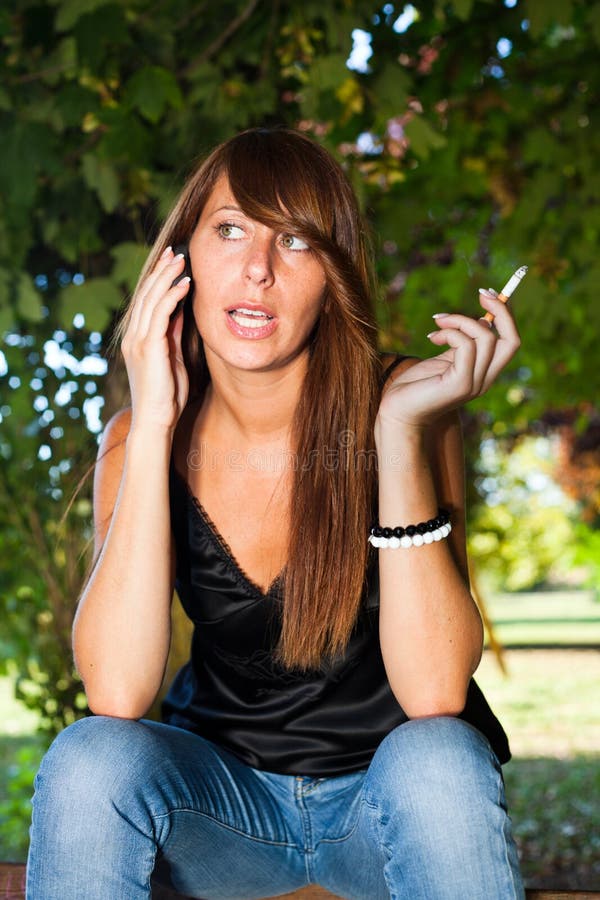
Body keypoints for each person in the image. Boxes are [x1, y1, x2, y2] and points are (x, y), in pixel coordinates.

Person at [26, 127, 524, 900]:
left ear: (333, 274)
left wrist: (395, 434)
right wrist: (153, 421)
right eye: (229, 230)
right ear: (181, 256)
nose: (256, 270)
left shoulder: (410, 409)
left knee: (440, 756)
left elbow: (434, 696)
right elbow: (117, 696)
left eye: (294, 240)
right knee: (89, 757)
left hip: (384, 812)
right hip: (223, 817)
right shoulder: (143, 436)